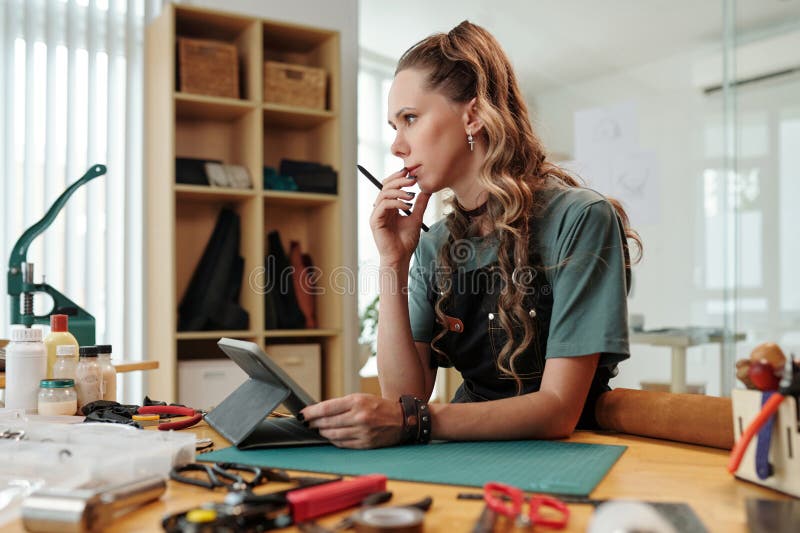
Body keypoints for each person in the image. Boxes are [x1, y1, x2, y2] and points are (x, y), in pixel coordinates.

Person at [300, 20, 641, 449]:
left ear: (473, 115)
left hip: (565, 457)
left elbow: (558, 410)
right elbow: (404, 398)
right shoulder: (433, 244)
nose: (397, 146)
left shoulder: (581, 218)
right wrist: (393, 262)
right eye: (394, 126)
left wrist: (418, 421)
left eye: (410, 119)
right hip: (463, 451)